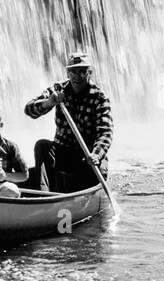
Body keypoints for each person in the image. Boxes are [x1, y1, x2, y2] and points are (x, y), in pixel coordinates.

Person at [24, 51, 112, 192]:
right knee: (42, 146)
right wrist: (49, 102)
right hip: (63, 152)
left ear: (90, 72)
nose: (78, 76)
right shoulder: (58, 89)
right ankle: (44, 194)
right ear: (67, 73)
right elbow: (28, 110)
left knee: (99, 168)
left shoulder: (100, 98)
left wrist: (96, 154)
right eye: (73, 72)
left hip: (87, 155)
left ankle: (86, 192)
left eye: (82, 71)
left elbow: (106, 133)